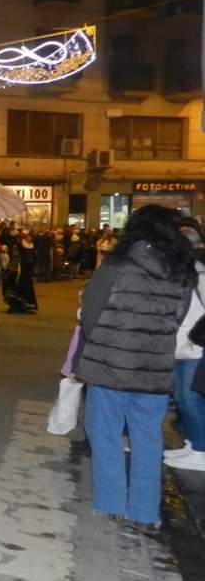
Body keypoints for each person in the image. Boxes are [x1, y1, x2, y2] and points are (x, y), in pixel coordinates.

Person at [73, 205, 195, 528]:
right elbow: (179, 317)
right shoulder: (181, 269)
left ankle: (111, 501)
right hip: (154, 369)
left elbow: (91, 313)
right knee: (147, 438)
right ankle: (143, 510)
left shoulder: (118, 263)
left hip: (110, 365)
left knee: (106, 434)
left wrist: (100, 340)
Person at [164, 219, 205, 471]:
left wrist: (195, 338)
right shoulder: (185, 270)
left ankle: (202, 450)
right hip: (181, 343)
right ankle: (193, 443)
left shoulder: (200, 273)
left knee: (190, 398)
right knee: (182, 397)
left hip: (195, 346)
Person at [6, 229, 38, 314]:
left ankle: (26, 306)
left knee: (27, 287)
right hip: (20, 269)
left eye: (31, 237)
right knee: (17, 287)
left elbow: (34, 256)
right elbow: (15, 255)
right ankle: (16, 306)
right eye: (28, 236)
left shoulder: (32, 245)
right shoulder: (19, 244)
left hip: (28, 270)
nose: (30, 238)